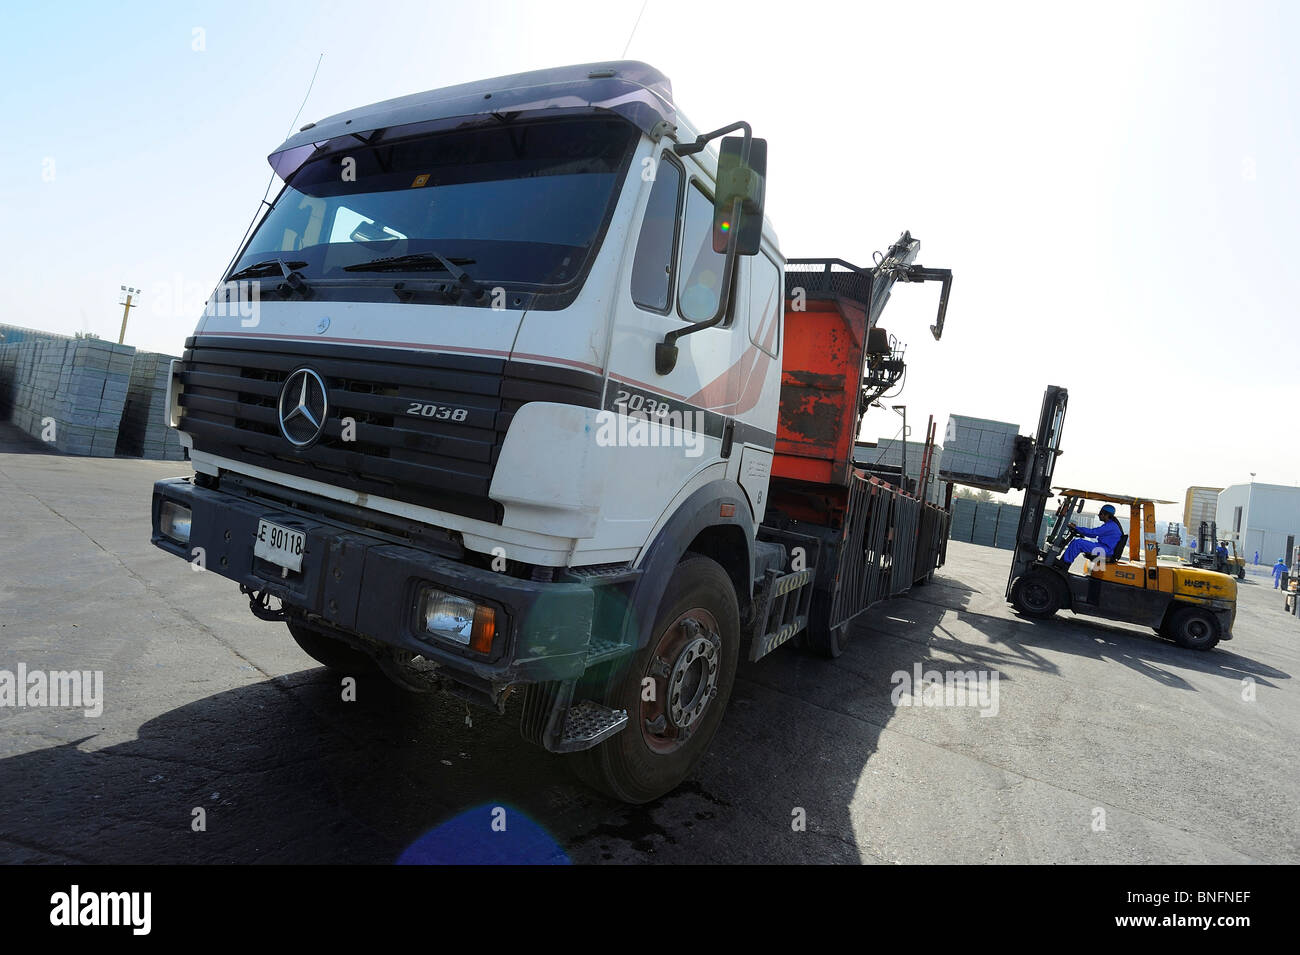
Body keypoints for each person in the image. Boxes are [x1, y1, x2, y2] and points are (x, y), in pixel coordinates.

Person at [1055, 504, 1123, 571]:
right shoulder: (1110, 525)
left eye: (1100, 513)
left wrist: (1076, 528)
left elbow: (1092, 533)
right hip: (1103, 548)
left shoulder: (1110, 526)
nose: (1098, 515)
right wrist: (1077, 529)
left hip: (1105, 550)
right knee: (1077, 542)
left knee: (1078, 543)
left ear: (1107, 515)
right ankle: (1064, 562)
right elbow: (1093, 534)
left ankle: (1064, 565)